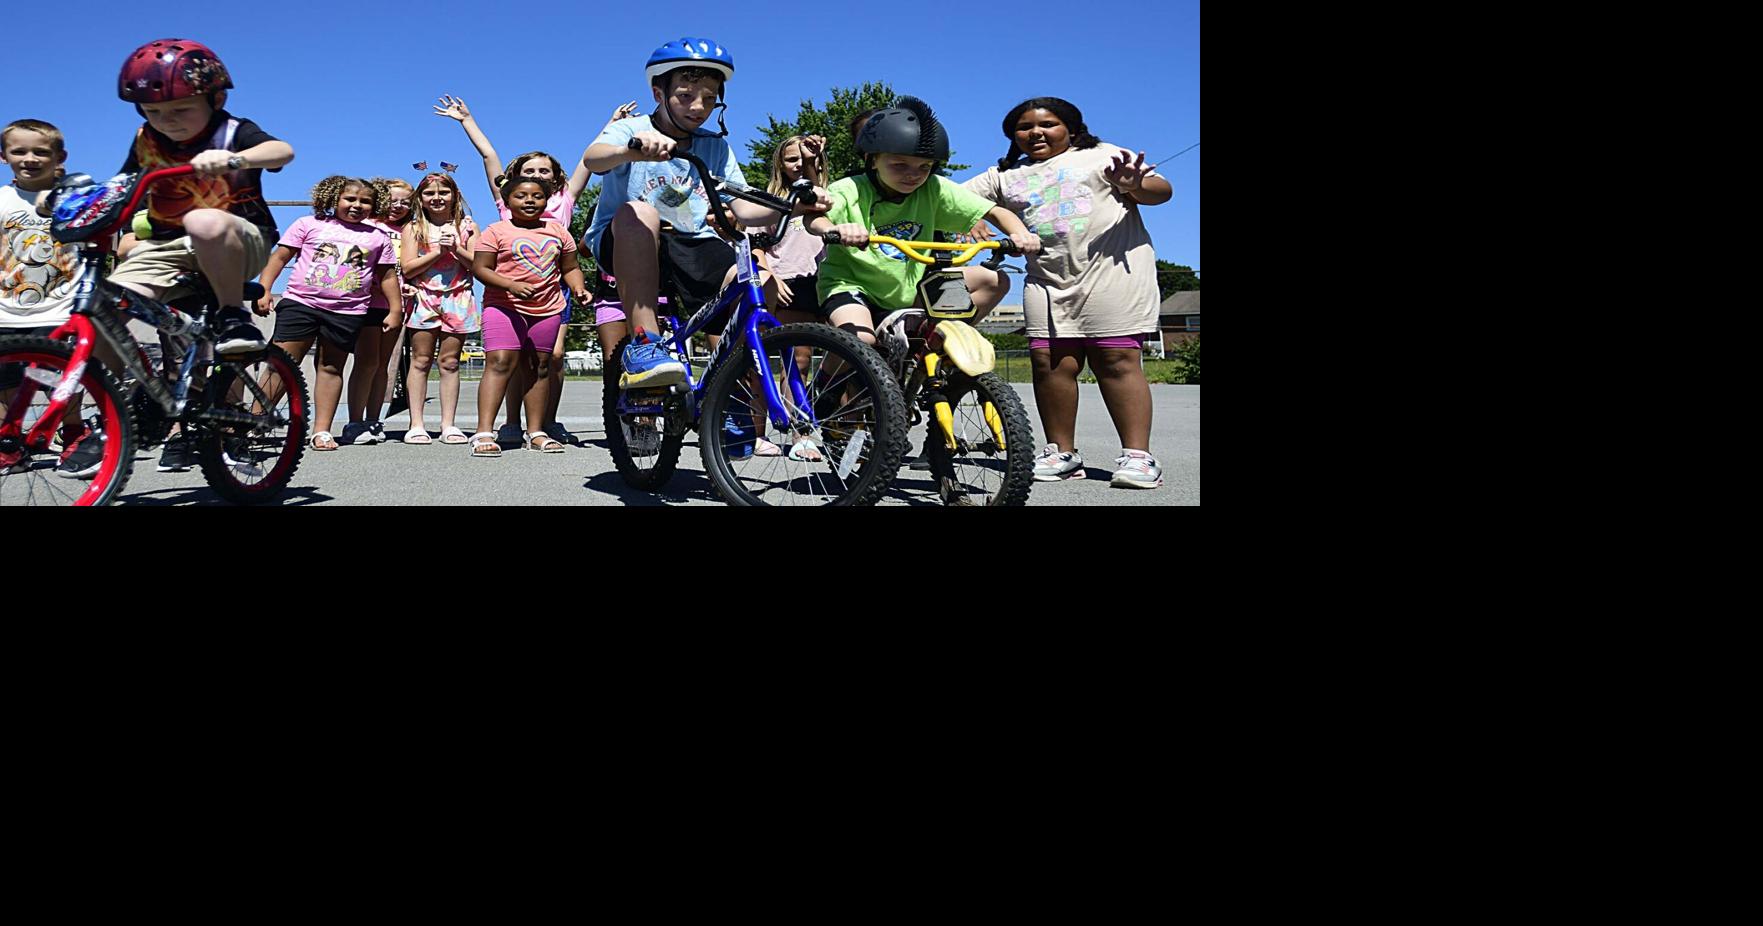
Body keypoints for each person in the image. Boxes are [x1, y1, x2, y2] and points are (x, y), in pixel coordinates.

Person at [580, 37, 822, 392]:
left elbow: (743, 206)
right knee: (640, 212)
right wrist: (630, 151)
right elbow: (593, 158)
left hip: (693, 243)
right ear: (659, 93)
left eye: (710, 99)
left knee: (762, 283)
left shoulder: (715, 146)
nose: (699, 107)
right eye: (686, 95)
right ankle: (646, 342)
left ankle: (727, 386)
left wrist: (793, 204)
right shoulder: (633, 129)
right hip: (625, 239)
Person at [964, 97, 1171, 489]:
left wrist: (1135, 184)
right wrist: (976, 215)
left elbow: (1161, 191)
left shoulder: (1102, 154)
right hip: (1046, 280)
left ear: (1071, 130)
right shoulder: (1004, 176)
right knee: (1050, 364)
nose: (1035, 133)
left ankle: (1138, 457)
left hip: (1112, 274)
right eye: (1024, 127)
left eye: (1048, 124)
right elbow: (951, 199)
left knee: (1116, 360)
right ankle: (1061, 452)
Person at [109, 38, 296, 471]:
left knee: (203, 220)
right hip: (171, 249)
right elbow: (120, 187)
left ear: (216, 99)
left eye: (180, 110)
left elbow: (282, 151)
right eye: (154, 112)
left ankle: (233, 315)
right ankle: (136, 401)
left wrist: (235, 157)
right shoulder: (146, 140)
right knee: (110, 304)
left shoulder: (232, 130)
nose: (166, 121)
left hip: (237, 240)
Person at [804, 96, 1039, 349]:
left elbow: (996, 212)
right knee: (860, 341)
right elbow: (813, 217)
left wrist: (1021, 234)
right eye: (899, 165)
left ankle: (928, 341)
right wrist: (834, 229)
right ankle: (829, 386)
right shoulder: (849, 189)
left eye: (924, 166)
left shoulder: (933, 188)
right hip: (851, 286)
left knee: (993, 280)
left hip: (911, 290)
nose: (913, 175)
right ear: (873, 160)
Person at [253, 177, 401, 451]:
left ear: (375, 205)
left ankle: (321, 430)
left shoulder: (377, 237)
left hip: (347, 311)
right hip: (301, 304)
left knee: (332, 367)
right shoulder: (309, 224)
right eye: (350, 199)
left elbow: (388, 276)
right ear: (334, 198)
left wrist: (395, 309)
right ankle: (255, 422)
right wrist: (264, 289)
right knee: (282, 363)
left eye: (365, 201)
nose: (357, 205)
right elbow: (280, 258)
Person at [0, 119, 98, 477]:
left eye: (41, 152)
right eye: (19, 151)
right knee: (7, 382)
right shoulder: (2, 199)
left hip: (60, 305)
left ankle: (72, 431)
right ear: (3, 156)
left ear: (60, 157)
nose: (30, 158)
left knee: (62, 378)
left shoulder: (73, 198)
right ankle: (11, 442)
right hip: (7, 310)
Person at [467, 176, 591, 458]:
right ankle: (483, 431)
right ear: (507, 201)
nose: (530, 201)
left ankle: (536, 431)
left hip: (547, 308)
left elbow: (570, 267)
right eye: (521, 196)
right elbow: (480, 268)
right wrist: (509, 285)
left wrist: (579, 287)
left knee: (539, 366)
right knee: (500, 362)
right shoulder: (496, 231)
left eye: (537, 196)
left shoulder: (558, 232)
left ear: (546, 201)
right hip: (503, 306)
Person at [400, 171, 479, 445]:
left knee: (450, 362)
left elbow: (478, 265)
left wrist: (456, 249)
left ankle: (449, 424)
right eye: (429, 193)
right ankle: (417, 423)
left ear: (454, 195)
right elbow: (408, 268)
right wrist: (436, 253)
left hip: (458, 297)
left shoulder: (467, 226)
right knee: (420, 360)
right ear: (420, 199)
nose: (437, 198)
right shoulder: (413, 228)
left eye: (443, 192)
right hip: (423, 297)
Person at [341, 177, 414, 445]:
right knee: (366, 362)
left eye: (406, 202)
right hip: (364, 301)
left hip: (393, 304)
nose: (399, 206)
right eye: (393, 200)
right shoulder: (368, 226)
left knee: (383, 364)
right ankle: (354, 421)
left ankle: (374, 419)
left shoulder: (409, 230)